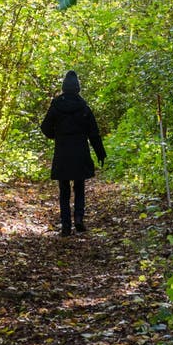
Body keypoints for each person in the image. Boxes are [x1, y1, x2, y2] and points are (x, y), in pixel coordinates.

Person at [41, 69, 106, 237]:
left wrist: (56, 136)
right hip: (79, 151)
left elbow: (45, 128)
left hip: (62, 151)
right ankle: (78, 218)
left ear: (64, 87)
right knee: (79, 187)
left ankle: (65, 225)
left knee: (64, 190)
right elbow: (93, 133)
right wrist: (100, 153)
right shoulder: (83, 107)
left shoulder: (56, 105)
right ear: (77, 87)